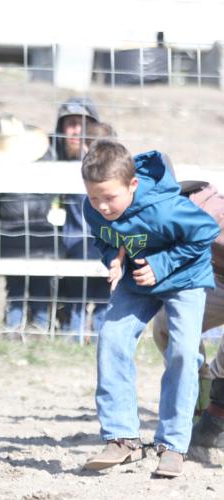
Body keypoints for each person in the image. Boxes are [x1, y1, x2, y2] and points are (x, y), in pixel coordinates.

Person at [80, 140, 219, 478]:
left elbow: (206, 232)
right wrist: (112, 257)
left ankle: (172, 446)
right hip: (137, 281)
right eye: (94, 197)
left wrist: (162, 264)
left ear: (133, 185)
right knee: (111, 337)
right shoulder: (92, 207)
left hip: (185, 278)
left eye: (109, 198)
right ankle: (122, 438)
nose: (102, 206)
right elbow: (105, 237)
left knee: (183, 353)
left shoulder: (167, 208)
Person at [150, 179, 224, 450]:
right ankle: (198, 399)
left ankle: (217, 410)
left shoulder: (212, 217)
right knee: (167, 324)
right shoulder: (170, 212)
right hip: (212, 278)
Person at [0, 114, 55, 334]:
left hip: (6, 237)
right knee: (40, 282)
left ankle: (14, 323)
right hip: (41, 236)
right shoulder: (44, 167)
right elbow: (51, 197)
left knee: (15, 284)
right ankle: (41, 323)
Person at [48, 97, 111, 340]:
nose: (76, 131)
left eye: (82, 124)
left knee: (106, 303)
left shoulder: (110, 168)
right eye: (70, 124)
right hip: (73, 247)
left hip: (106, 248)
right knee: (75, 300)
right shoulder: (53, 163)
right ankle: (71, 338)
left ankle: (102, 339)